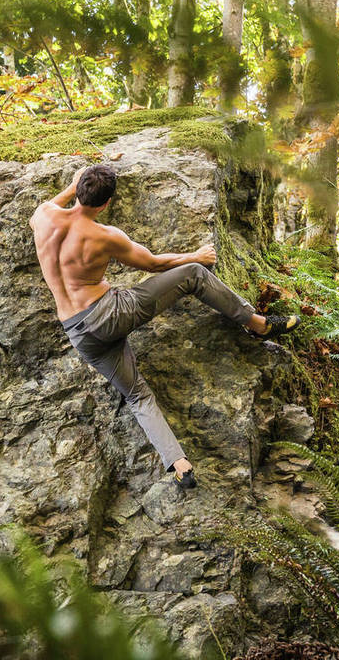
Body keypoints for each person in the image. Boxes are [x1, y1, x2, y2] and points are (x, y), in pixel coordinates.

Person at [30, 164, 300, 489]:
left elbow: (43, 212)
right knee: (193, 275)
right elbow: (155, 263)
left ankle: (179, 463)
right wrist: (196, 255)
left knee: (137, 395)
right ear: (105, 204)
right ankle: (257, 324)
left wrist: (73, 187)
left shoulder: (44, 216)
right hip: (111, 313)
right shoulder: (104, 236)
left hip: (78, 332)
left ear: (78, 189)